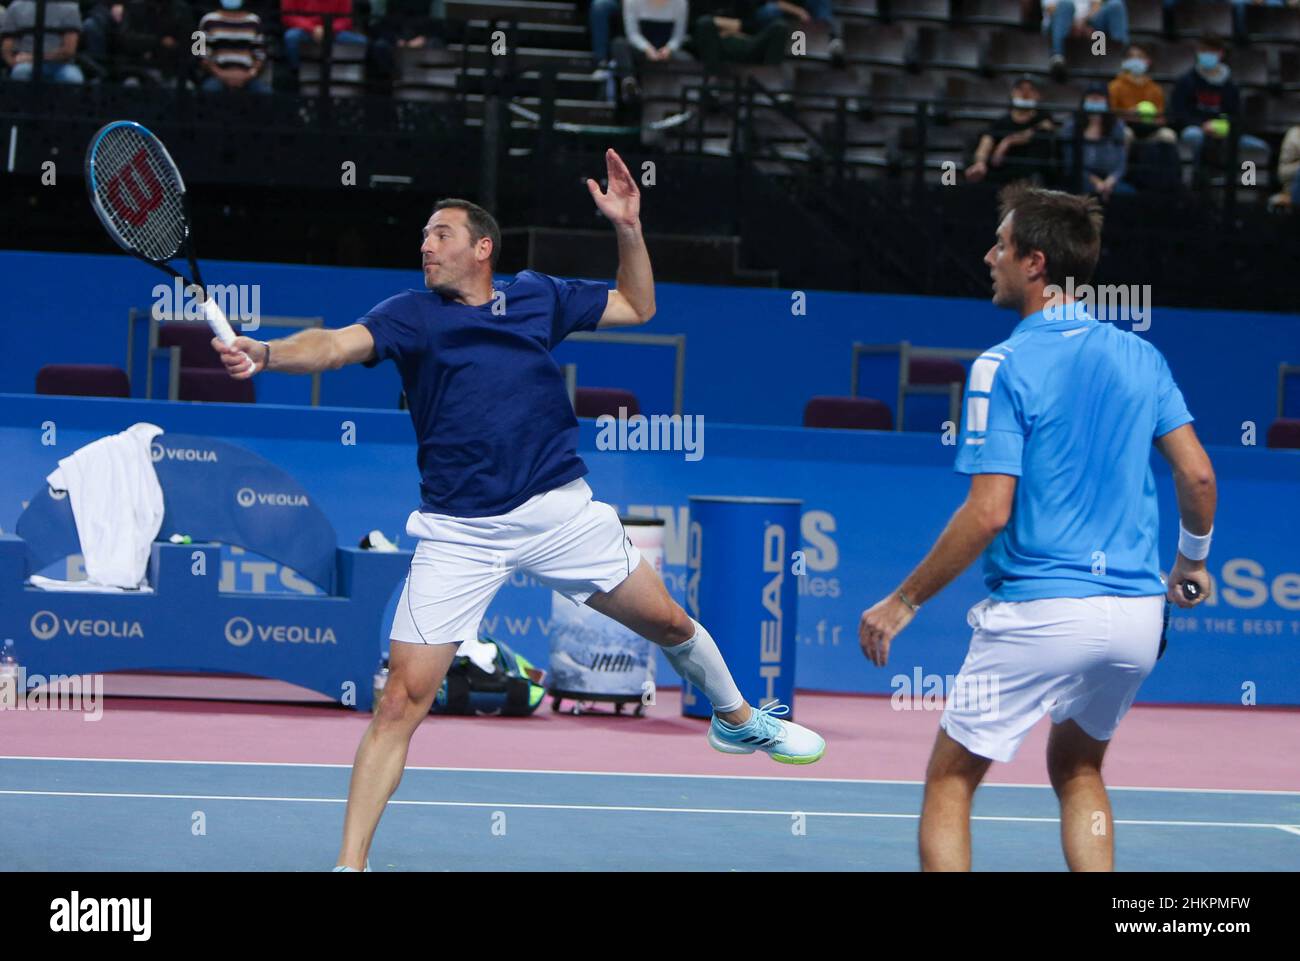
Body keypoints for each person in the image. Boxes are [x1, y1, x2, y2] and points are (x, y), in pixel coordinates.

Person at [210, 149, 827, 872]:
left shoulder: (536, 295)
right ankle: (350, 866)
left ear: (482, 248)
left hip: (558, 513)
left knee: (669, 622)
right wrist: (270, 352)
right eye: (422, 236)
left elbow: (638, 306)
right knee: (400, 702)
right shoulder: (409, 315)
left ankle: (739, 719)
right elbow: (337, 345)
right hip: (459, 533)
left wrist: (628, 227)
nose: (424, 246)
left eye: (439, 234)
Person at [857, 183, 1216, 871]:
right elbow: (1197, 476)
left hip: (1042, 612)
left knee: (951, 779)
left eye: (1002, 243)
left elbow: (989, 511)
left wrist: (903, 600)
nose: (989, 254)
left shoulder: (1002, 365)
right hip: (1138, 618)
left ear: (1036, 263)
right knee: (1080, 768)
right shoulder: (1143, 358)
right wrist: (1192, 561)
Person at [1169, 33, 1269, 187]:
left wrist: (1227, 126)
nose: (1207, 55)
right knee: (1193, 135)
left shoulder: (1230, 86)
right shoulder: (1185, 81)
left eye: (1211, 52)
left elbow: (1236, 115)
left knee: (1258, 148)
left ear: (1220, 54)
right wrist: (1202, 125)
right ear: (1198, 53)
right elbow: (1178, 113)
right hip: (1196, 129)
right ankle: (1193, 183)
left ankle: (1248, 188)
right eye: (1203, 51)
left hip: (1225, 133)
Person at [964, 76, 1057, 186]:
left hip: (1028, 173)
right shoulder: (1001, 122)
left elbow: (1043, 129)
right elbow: (987, 138)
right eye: (1020, 89)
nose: (1025, 94)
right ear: (1013, 93)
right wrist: (980, 162)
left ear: (1038, 95)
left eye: (1031, 89)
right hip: (1001, 173)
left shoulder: (1043, 118)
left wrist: (1008, 141)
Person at [1059, 83, 1133, 201]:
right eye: (1092, 97)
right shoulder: (1072, 126)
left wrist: (1109, 182)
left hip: (1111, 180)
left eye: (1099, 97)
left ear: (1106, 101)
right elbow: (1070, 162)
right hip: (1081, 179)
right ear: (1084, 100)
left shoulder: (1117, 125)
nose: (1095, 100)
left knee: (1128, 195)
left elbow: (1121, 162)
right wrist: (1096, 183)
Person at [610, 0, 690, 102]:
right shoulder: (631, 2)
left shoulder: (680, 3)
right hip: (641, 49)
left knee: (686, 58)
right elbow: (632, 33)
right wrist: (647, 49)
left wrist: (669, 48)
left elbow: (678, 36)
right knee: (619, 43)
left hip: (667, 51)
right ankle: (629, 82)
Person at [1043, 0, 1129, 82]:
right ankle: (1058, 58)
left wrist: (1084, 23)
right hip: (1061, 23)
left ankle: (1124, 57)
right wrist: (1074, 24)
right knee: (1066, 5)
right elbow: (1050, 9)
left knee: (1116, 4)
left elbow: (1096, 6)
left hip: (1088, 22)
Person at [1, 0, 85, 83]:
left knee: (72, 78)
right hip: (25, 63)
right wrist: (12, 62)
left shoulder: (69, 7)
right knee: (20, 72)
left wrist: (33, 58)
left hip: (61, 64)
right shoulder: (16, 6)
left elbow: (69, 51)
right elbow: (7, 45)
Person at [198, 0, 269, 92]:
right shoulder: (207, 20)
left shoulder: (254, 21)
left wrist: (249, 74)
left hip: (247, 76)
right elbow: (200, 54)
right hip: (217, 76)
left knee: (266, 94)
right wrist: (221, 74)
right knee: (209, 91)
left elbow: (261, 55)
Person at [279, 0, 366, 71]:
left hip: (333, 31)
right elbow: (288, 16)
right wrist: (312, 28)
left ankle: (357, 81)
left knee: (362, 42)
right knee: (291, 37)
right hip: (305, 30)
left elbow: (346, 20)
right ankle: (295, 72)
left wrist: (328, 29)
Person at [751, 0, 843, 67]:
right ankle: (764, 49)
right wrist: (798, 11)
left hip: (800, 6)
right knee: (770, 10)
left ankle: (830, 40)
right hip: (770, 10)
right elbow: (775, 2)